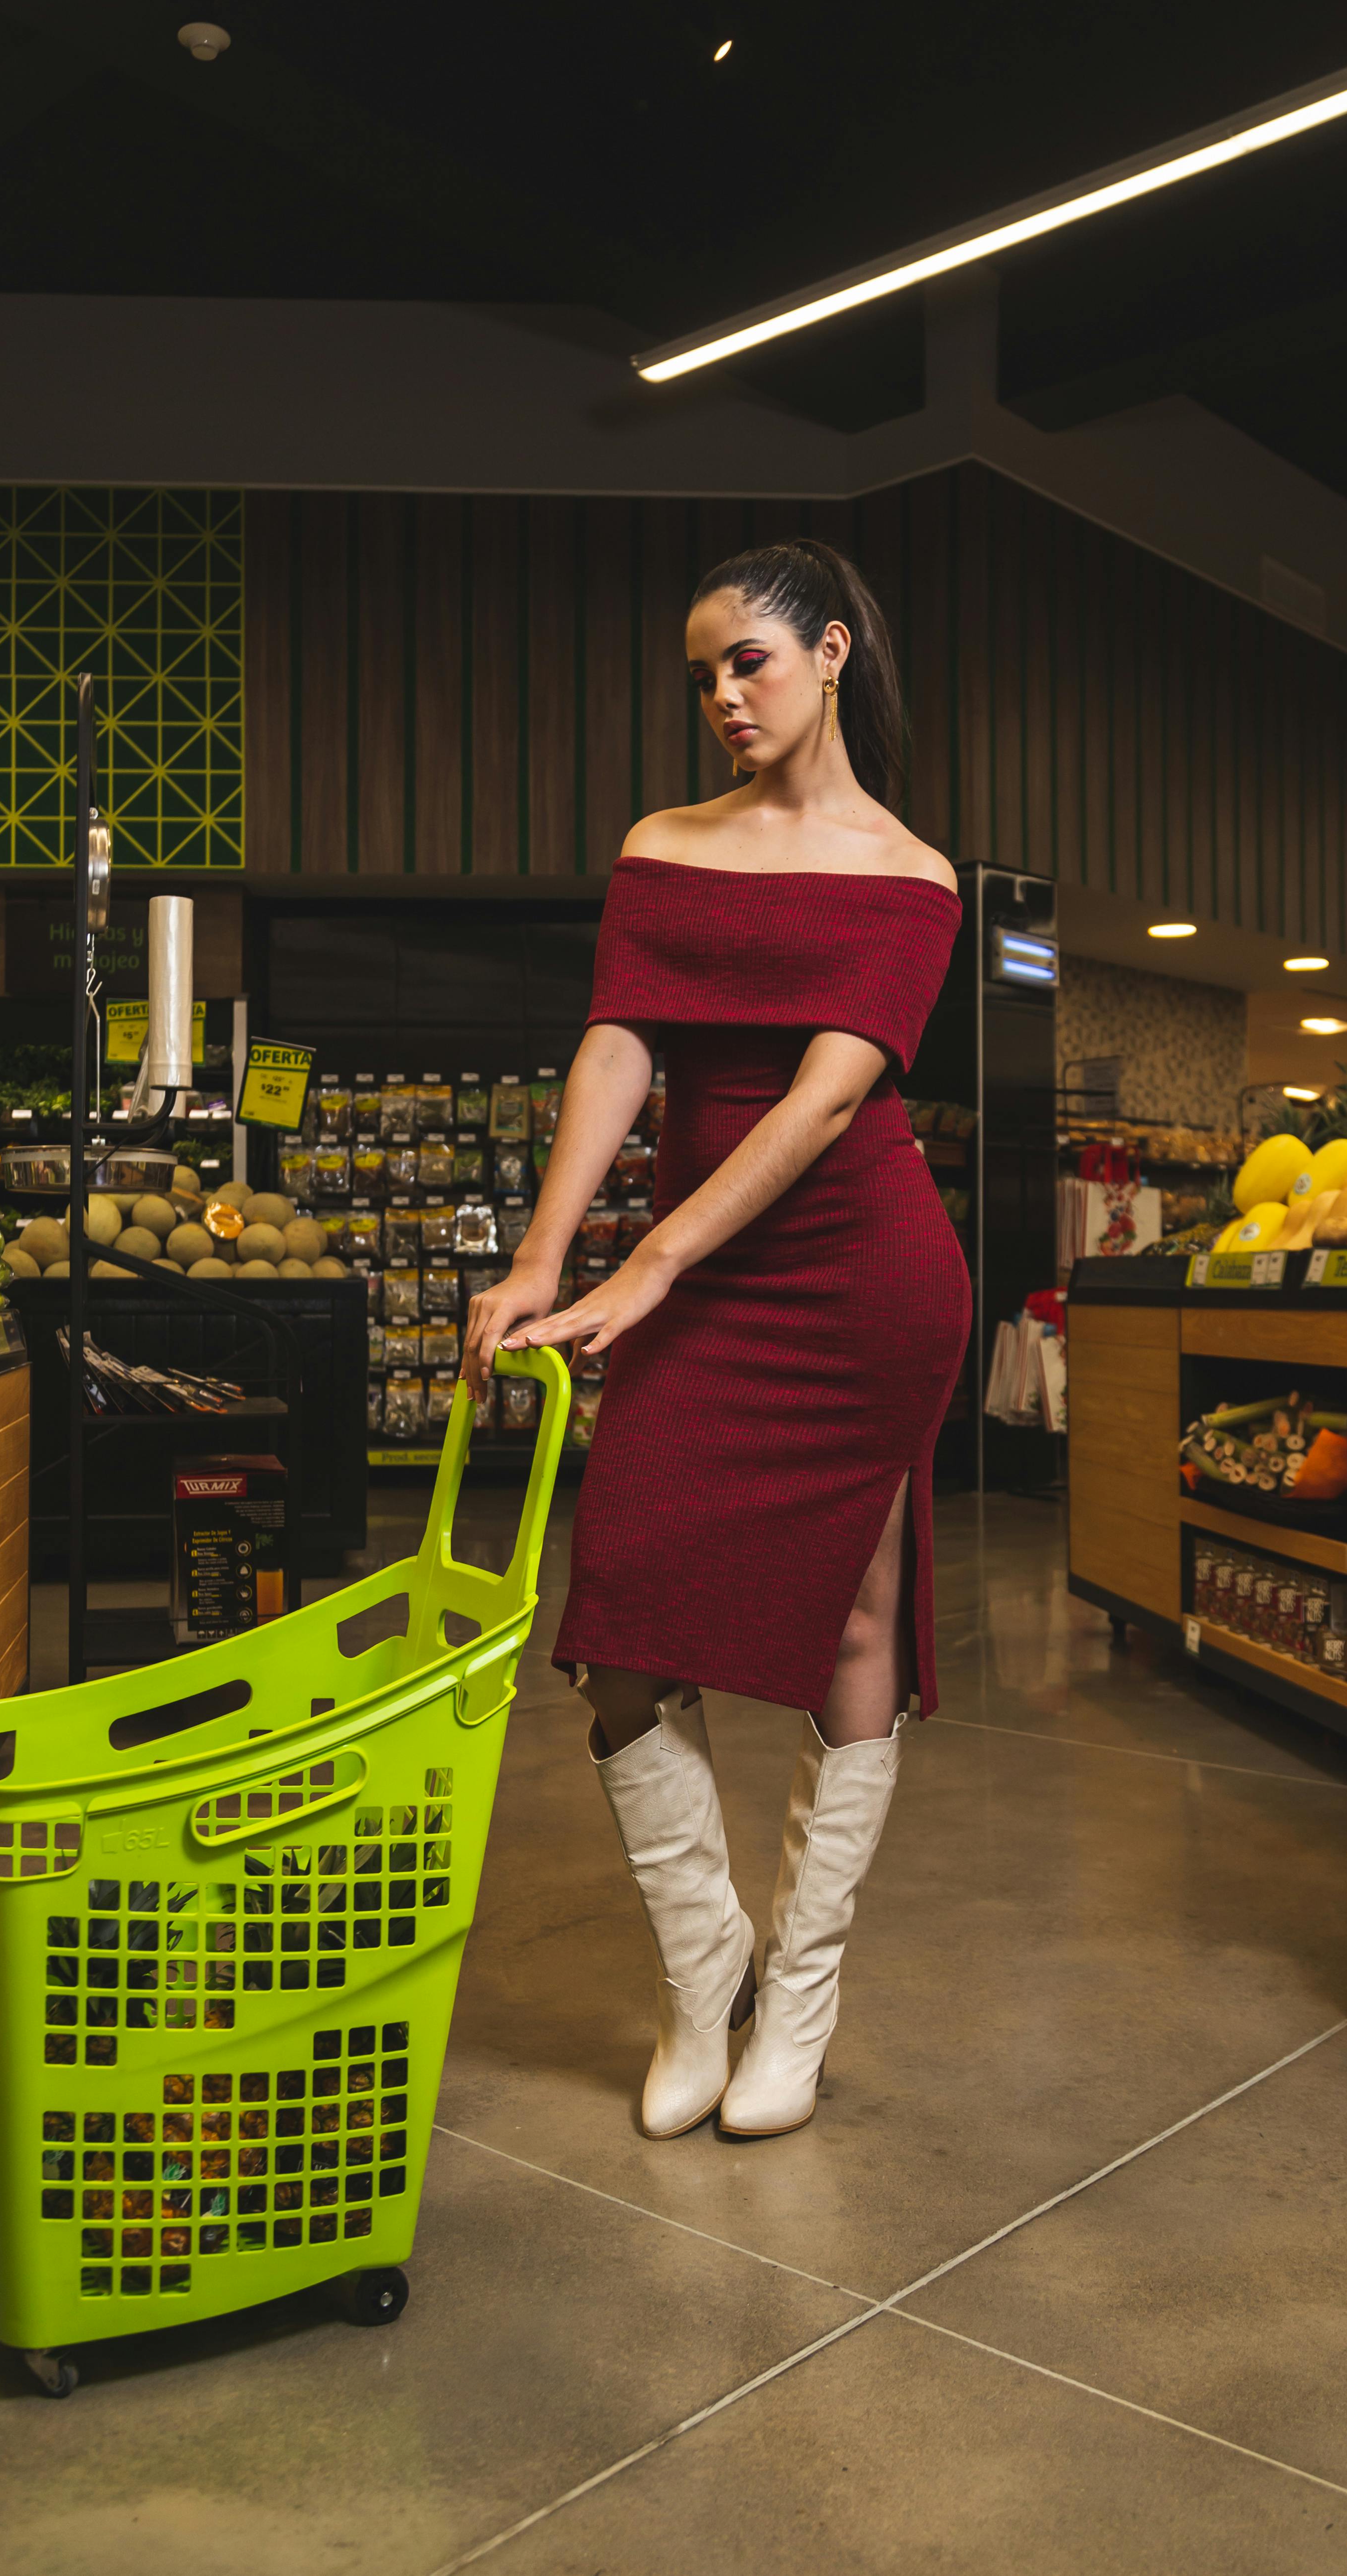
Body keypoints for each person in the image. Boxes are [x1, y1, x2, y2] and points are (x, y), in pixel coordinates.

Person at [463, 538, 971, 2140]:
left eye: (746, 661)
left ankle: (799, 1999)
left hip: (858, 1272)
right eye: (700, 674)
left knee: (854, 1628)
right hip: (691, 1275)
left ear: (830, 654)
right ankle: (710, 1976)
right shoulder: (666, 845)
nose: (721, 696)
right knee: (618, 1626)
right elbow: (619, 1045)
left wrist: (656, 1258)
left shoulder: (913, 874)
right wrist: (546, 1256)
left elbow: (829, 1098)